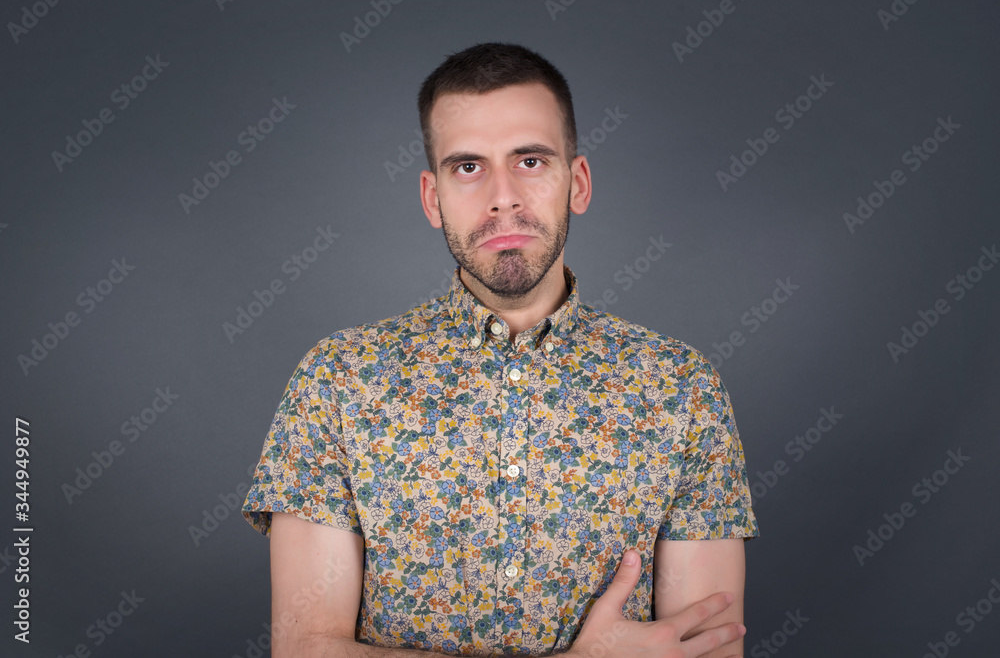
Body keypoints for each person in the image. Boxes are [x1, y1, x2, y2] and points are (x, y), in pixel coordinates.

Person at [241, 41, 759, 657]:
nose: (503, 196)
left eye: (531, 161)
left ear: (579, 182)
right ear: (433, 198)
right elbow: (303, 652)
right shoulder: (338, 381)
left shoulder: (681, 388)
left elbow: (708, 650)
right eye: (468, 167)